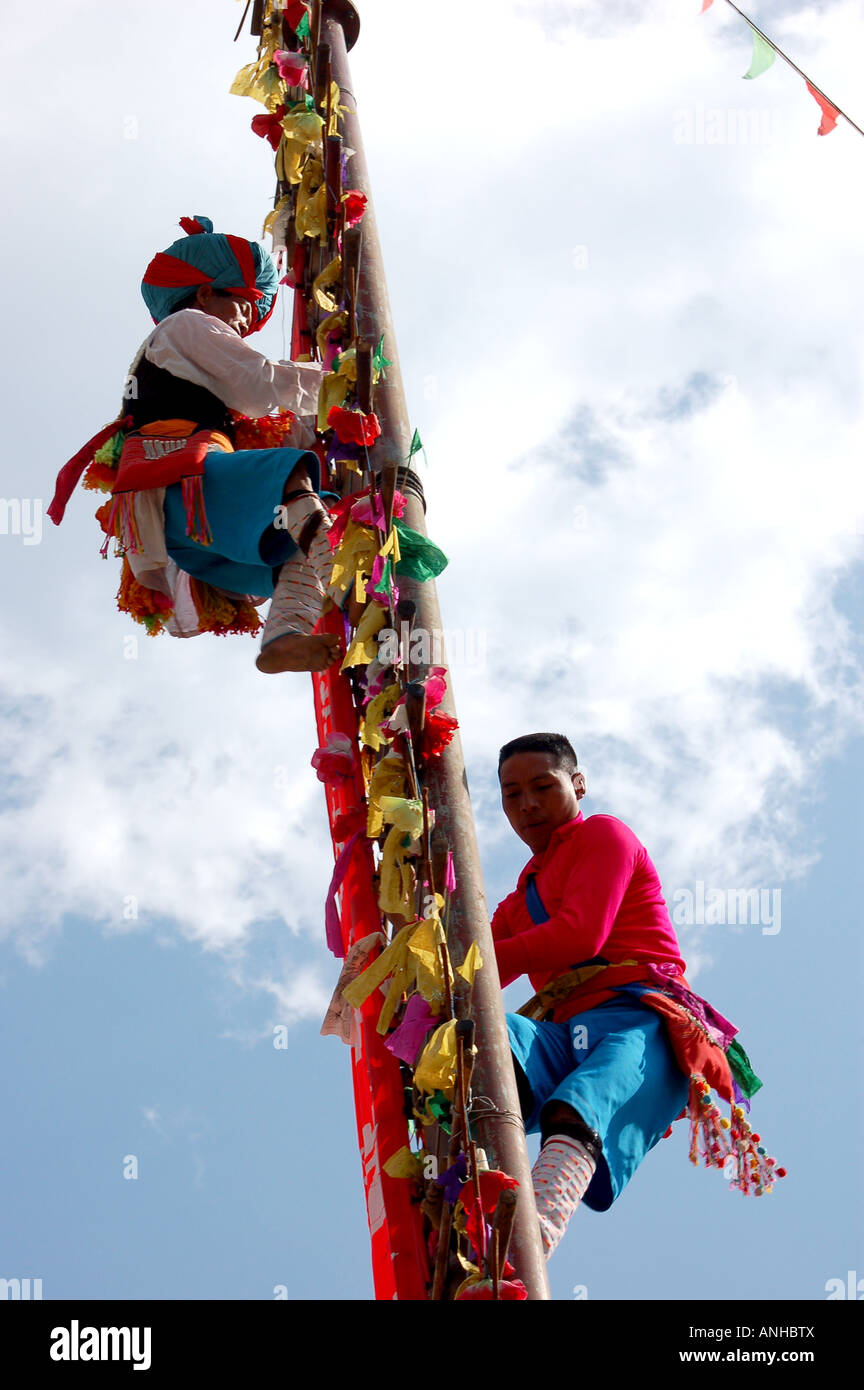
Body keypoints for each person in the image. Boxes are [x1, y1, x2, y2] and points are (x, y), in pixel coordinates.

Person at [491, 731, 768, 1260]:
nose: (527, 804)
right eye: (511, 794)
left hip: (642, 1023)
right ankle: (460, 1183)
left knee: (577, 1112)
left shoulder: (604, 835)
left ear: (578, 784)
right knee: (477, 1037)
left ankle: (524, 1247)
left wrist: (476, 961)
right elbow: (470, 964)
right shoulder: (521, 894)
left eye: (542, 786)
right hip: (563, 1036)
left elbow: (579, 934)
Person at [49, 216, 341, 673]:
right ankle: (343, 581)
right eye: (244, 303)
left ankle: (285, 635)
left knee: (301, 533)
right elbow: (260, 384)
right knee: (292, 474)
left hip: (188, 529)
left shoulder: (191, 358)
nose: (246, 320)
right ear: (207, 294)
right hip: (183, 483)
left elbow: (270, 414)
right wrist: (340, 383)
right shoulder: (186, 325)